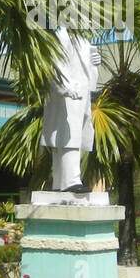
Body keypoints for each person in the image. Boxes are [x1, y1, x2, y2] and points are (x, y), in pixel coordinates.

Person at [41, 26, 101, 192]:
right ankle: (71, 181)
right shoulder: (57, 34)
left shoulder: (83, 40)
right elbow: (53, 65)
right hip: (67, 94)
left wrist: (95, 63)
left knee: (71, 136)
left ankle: (60, 183)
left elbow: (89, 70)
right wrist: (65, 88)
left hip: (81, 93)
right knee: (67, 137)